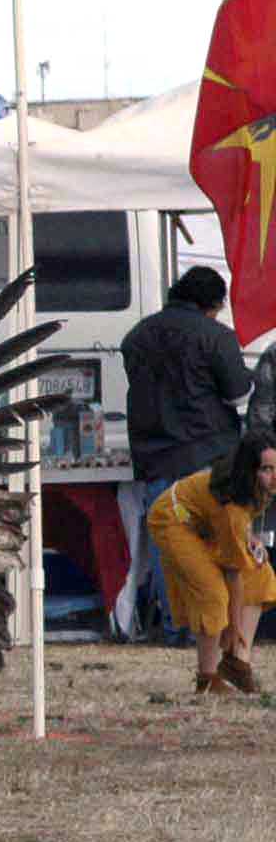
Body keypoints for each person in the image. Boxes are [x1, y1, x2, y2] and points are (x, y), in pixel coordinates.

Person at [120, 269, 253, 639]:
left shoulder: (138, 336)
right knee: (209, 542)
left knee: (169, 542)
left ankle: (175, 624)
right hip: (205, 453)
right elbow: (239, 394)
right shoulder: (216, 337)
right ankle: (207, 627)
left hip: (154, 453)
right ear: (214, 303)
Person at [144, 430, 276, 699]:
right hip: (172, 519)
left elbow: (237, 523)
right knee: (213, 593)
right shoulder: (232, 508)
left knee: (262, 575)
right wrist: (234, 627)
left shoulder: (249, 491)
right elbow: (233, 572)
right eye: (266, 469)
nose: (274, 476)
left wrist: (248, 539)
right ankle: (207, 678)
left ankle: (237, 663)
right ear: (249, 471)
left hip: (204, 524)